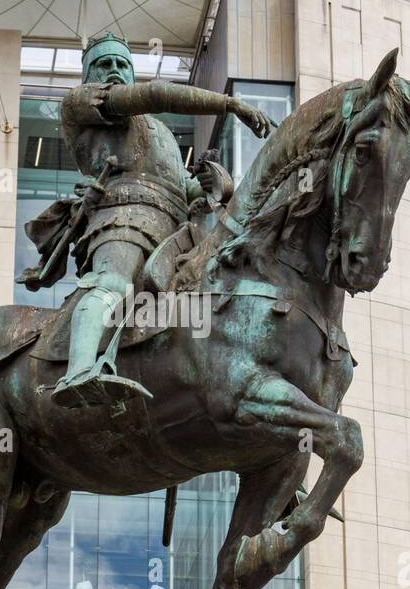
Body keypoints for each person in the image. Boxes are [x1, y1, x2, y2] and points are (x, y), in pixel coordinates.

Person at [18, 32, 270, 408]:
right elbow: (155, 95)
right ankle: (79, 373)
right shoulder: (79, 104)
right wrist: (229, 104)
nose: (115, 71)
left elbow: (186, 188)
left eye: (123, 64)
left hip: (178, 234)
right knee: (113, 283)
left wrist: (215, 181)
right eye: (104, 64)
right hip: (120, 218)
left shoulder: (161, 132)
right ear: (88, 74)